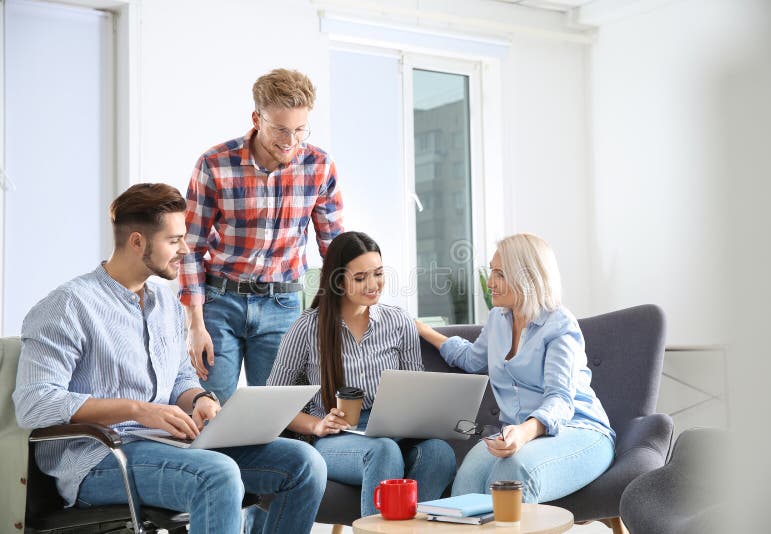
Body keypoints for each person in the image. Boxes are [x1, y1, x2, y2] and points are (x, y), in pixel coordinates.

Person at [13, 183, 326, 534]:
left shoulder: (166, 303)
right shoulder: (68, 306)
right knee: (218, 475)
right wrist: (138, 410)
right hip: (100, 460)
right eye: (174, 240)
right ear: (137, 242)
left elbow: (180, 378)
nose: (185, 249)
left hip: (169, 446)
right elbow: (34, 404)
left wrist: (200, 399)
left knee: (304, 463)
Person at [180, 68, 344, 403]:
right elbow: (190, 248)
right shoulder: (215, 164)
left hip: (282, 304)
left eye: (300, 129)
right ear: (257, 119)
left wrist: (334, 314)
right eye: (280, 129)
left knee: (277, 414)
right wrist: (194, 325)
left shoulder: (319, 166)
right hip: (219, 304)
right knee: (211, 411)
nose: (291, 141)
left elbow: (334, 248)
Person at [267, 231, 456, 516]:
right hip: (336, 439)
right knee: (383, 451)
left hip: (394, 432)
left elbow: (415, 390)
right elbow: (274, 404)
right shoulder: (306, 328)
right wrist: (317, 425)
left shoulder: (398, 321)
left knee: (439, 454)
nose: (373, 285)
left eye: (378, 274)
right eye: (360, 278)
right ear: (338, 280)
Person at [416, 233, 615, 503]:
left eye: (500, 274)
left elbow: (560, 399)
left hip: (579, 430)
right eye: (491, 271)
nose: (490, 283)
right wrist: (423, 329)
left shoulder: (559, 325)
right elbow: (471, 358)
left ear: (528, 277)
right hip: (519, 433)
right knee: (469, 476)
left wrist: (523, 432)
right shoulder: (498, 319)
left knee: (512, 473)